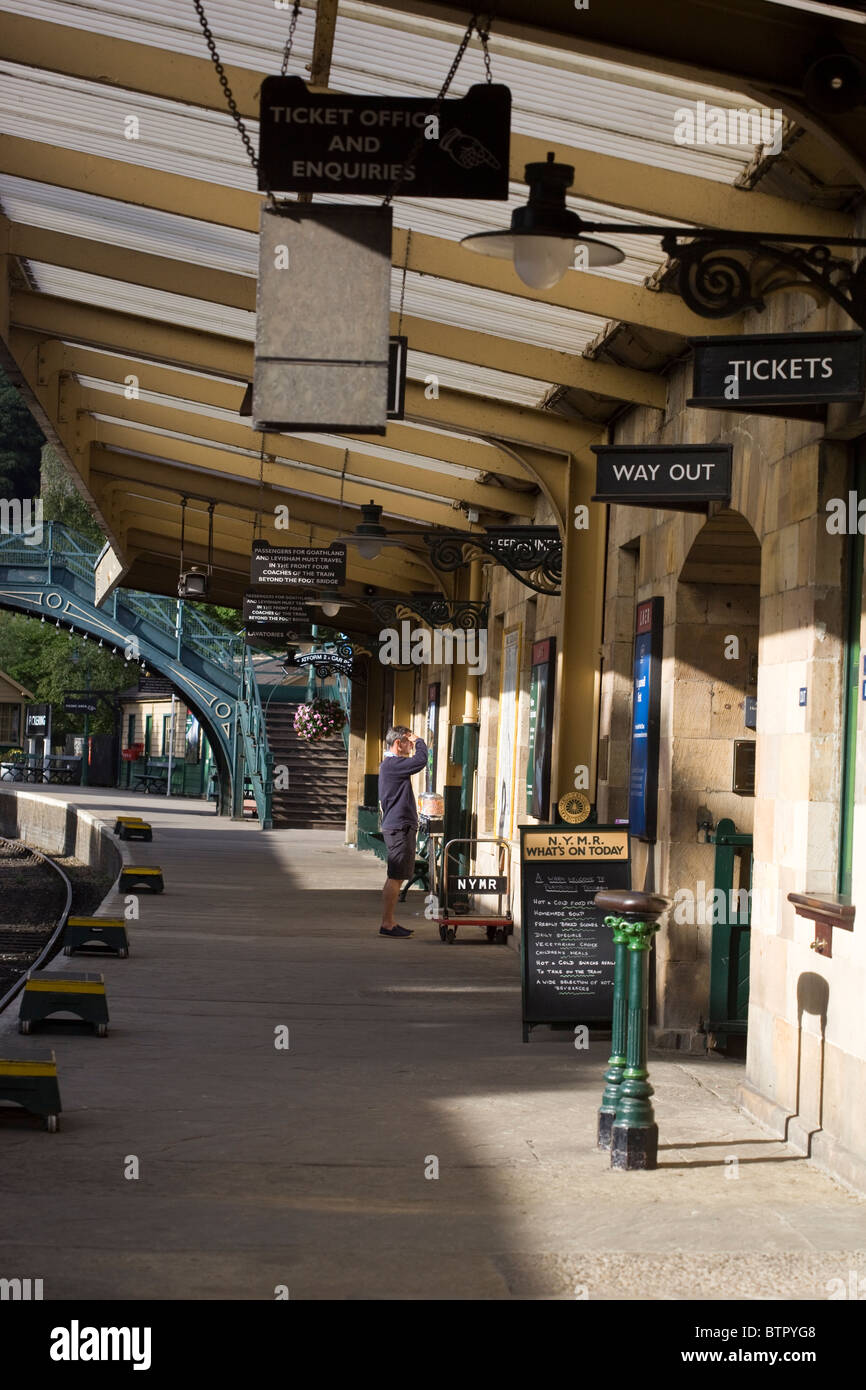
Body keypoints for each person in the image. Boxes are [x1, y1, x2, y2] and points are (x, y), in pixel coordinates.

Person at [377, 725, 428, 938]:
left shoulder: (390, 765)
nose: (411, 746)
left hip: (399, 825)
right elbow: (421, 760)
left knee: (397, 876)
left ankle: (389, 921)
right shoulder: (392, 764)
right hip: (399, 827)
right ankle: (387, 923)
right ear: (399, 744)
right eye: (408, 742)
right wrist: (420, 741)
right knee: (395, 876)